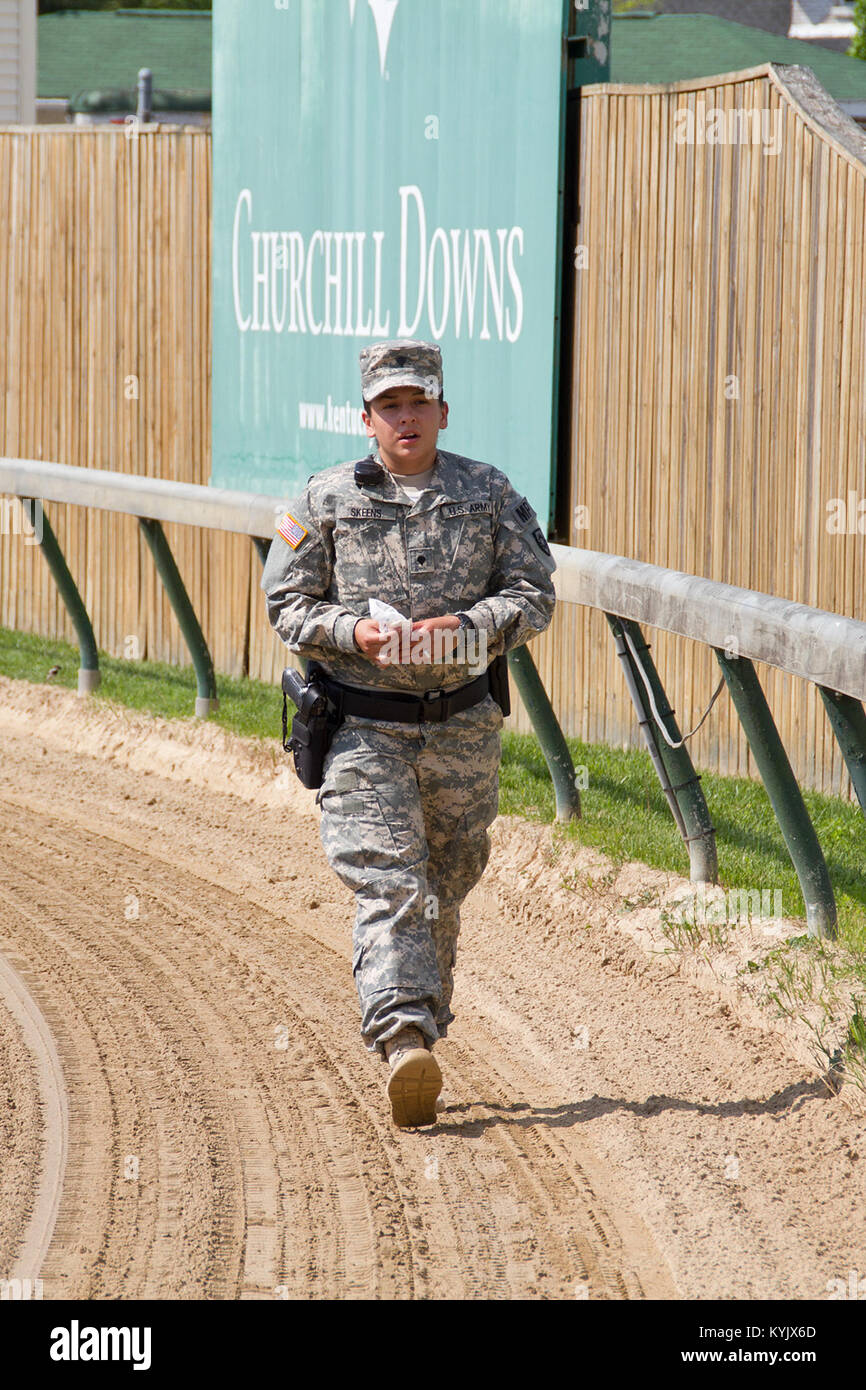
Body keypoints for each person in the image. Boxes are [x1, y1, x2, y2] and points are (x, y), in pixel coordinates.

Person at [261, 339, 556, 1127]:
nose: (405, 417)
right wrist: (354, 633)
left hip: (461, 728)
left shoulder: (487, 493)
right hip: (363, 728)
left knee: (445, 883)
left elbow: (533, 592)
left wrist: (469, 627)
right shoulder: (325, 500)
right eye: (389, 406)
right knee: (391, 881)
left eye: (417, 402)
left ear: (442, 412)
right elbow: (286, 605)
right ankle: (403, 1036)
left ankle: (425, 1018)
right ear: (367, 419)